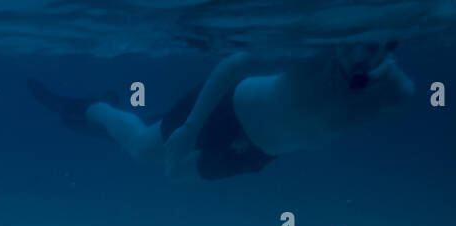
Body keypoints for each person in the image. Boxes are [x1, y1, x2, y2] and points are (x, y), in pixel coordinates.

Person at [29, 41, 415, 183]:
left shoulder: (395, 90)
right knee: (144, 151)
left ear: (389, 48)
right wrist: (191, 127)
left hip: (259, 153)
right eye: (352, 44)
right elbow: (235, 65)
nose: (353, 55)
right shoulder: (317, 51)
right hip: (228, 110)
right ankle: (96, 108)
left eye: (369, 48)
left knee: (173, 173)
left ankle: (136, 121)